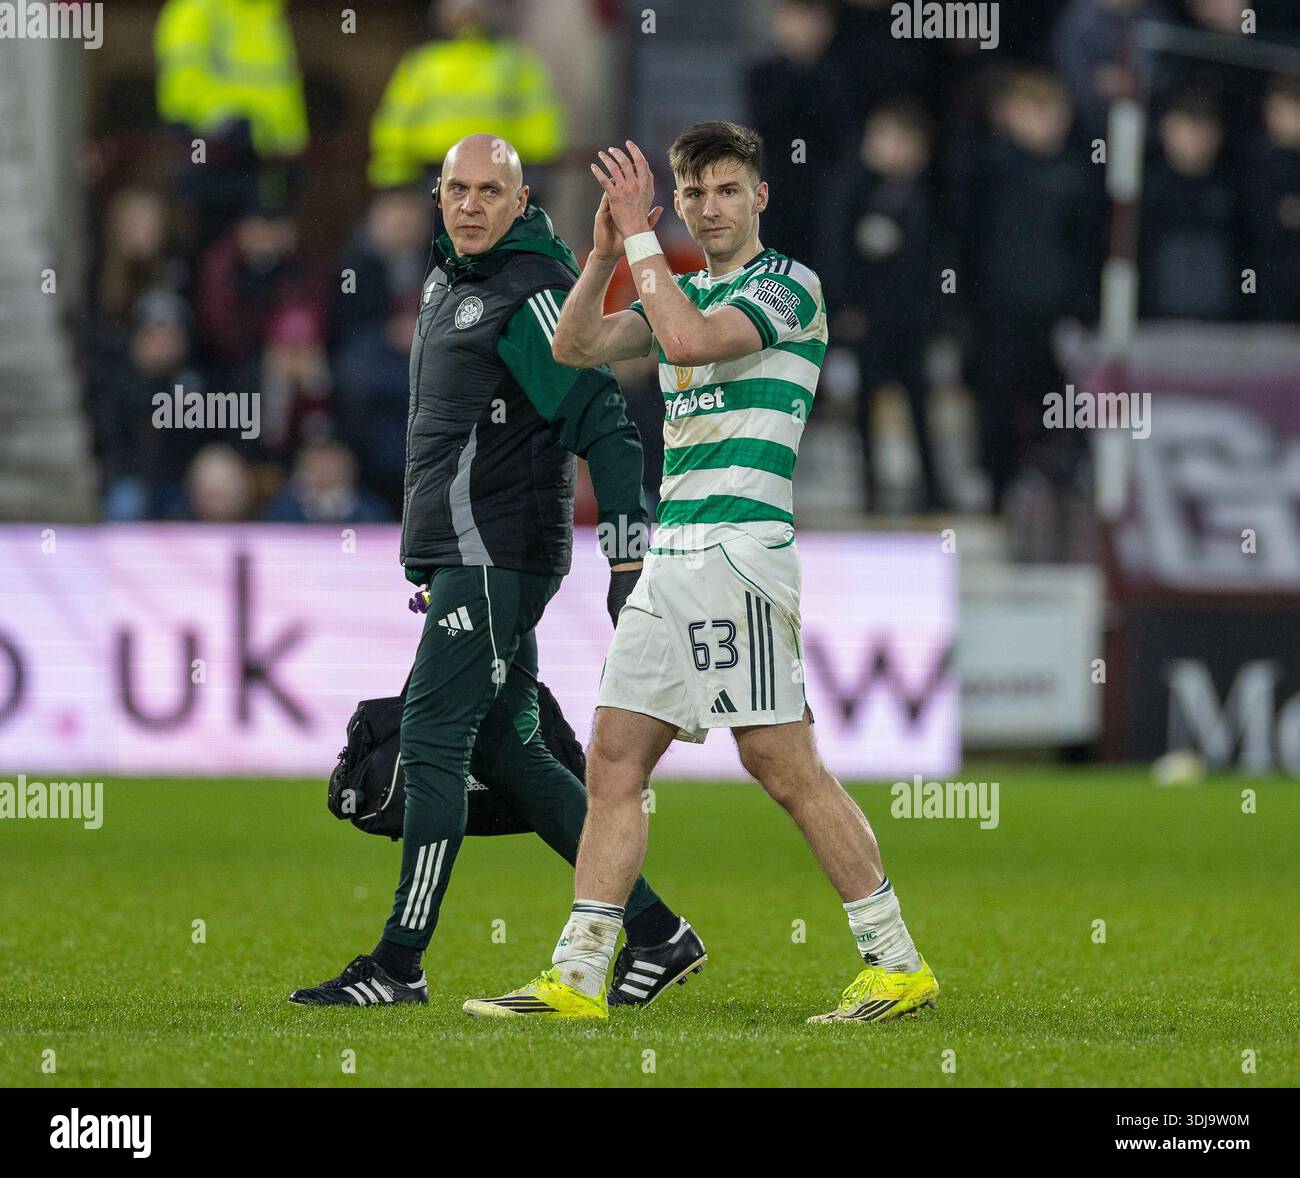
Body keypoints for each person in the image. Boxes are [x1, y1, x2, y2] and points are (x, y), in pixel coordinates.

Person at [464, 122, 938, 1024]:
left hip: (739, 556)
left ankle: (895, 959)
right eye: (694, 194)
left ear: (760, 196)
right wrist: (605, 252)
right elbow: (572, 349)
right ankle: (578, 975)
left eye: (726, 190)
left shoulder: (787, 287)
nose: (710, 207)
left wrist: (639, 238)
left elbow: (685, 345)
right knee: (612, 759)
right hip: (673, 559)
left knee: (781, 762)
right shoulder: (672, 284)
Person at [289, 134, 703, 1009]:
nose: (470, 205)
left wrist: (629, 555)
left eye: (489, 192)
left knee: (432, 744)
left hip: (495, 558)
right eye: (456, 189)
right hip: (465, 558)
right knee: (510, 752)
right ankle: (659, 932)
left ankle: (399, 966)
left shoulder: (529, 291)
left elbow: (609, 424)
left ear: (521, 203)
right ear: (438, 197)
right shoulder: (450, 279)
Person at [367, 0, 565, 190]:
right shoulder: (424, 63)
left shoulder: (515, 61)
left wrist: (535, 170)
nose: (467, 17)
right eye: (460, 10)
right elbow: (395, 124)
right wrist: (396, 181)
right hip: (433, 171)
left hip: (498, 169)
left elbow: (539, 119)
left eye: (473, 9)